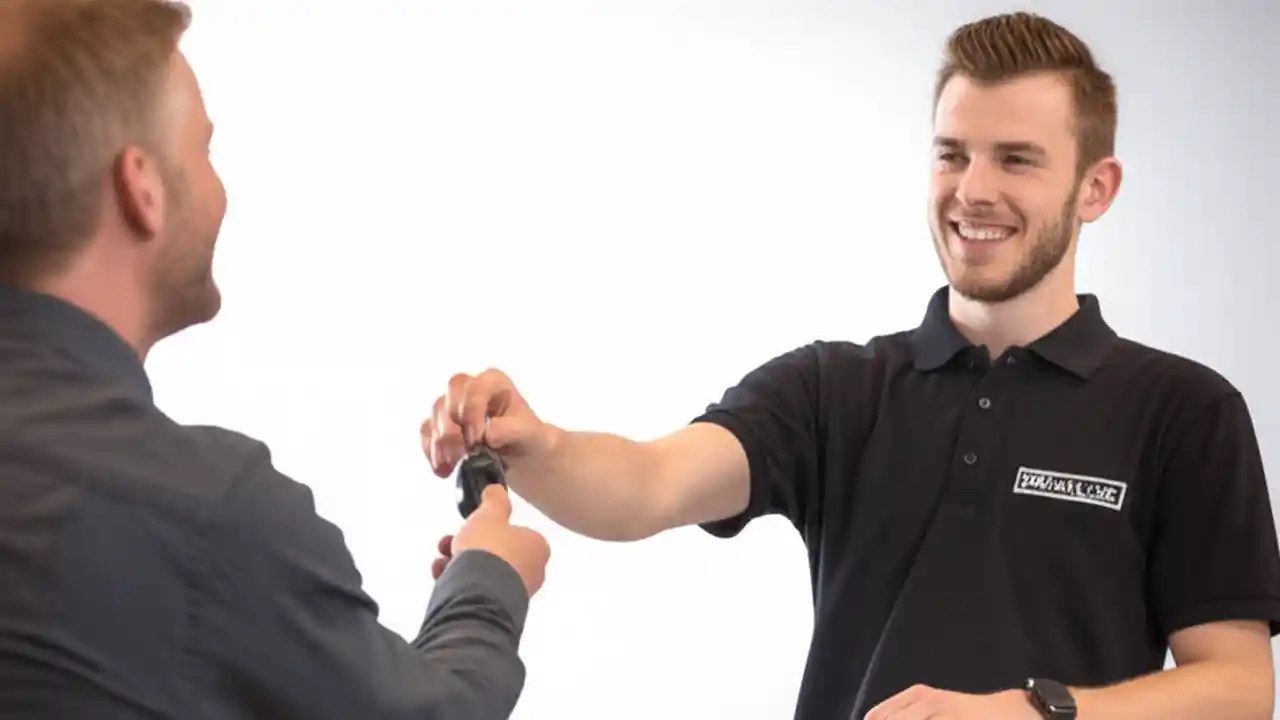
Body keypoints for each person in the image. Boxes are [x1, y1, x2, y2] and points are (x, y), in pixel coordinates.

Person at [424, 11, 1280, 720]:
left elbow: (1241, 688)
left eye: (1016, 159)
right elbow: (648, 484)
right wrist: (537, 444)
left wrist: (1030, 711)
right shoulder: (835, 390)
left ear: (1096, 188)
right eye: (952, 153)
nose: (972, 189)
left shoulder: (1184, 411)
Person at [0, 1, 549, 718]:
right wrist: (489, 580)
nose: (218, 186)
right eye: (203, 150)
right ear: (142, 188)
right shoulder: (202, 515)